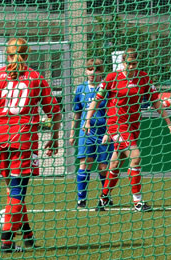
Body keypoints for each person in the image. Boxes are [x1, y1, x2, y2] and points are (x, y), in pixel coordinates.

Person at [0, 38, 61, 253]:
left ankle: (27, 235)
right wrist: (54, 137)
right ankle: (7, 242)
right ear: (27, 55)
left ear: (6, 54)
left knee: (12, 189)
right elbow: (55, 112)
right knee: (18, 191)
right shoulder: (36, 78)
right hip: (23, 140)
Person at [83, 48, 171, 212]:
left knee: (115, 164)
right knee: (135, 156)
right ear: (123, 63)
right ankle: (138, 202)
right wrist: (87, 120)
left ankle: (103, 199)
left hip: (133, 125)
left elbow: (155, 101)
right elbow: (97, 99)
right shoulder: (112, 78)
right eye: (128, 63)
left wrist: (168, 121)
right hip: (116, 125)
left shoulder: (143, 78)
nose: (131, 67)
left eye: (134, 63)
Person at [69, 58, 113, 208]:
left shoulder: (106, 89)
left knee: (103, 167)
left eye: (96, 70)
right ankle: (81, 199)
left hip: (103, 132)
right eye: (89, 69)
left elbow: (111, 112)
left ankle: (105, 196)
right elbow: (77, 113)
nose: (92, 72)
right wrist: (72, 134)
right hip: (86, 132)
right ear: (86, 71)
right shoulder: (80, 89)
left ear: (101, 72)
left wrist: (109, 131)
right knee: (85, 163)